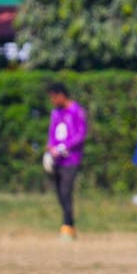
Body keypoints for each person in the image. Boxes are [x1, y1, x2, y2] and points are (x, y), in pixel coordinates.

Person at [46, 82, 87, 239]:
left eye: (54, 97)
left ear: (61, 95)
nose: (52, 101)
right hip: (56, 160)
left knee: (66, 191)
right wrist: (50, 147)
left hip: (71, 159)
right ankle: (68, 225)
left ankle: (67, 227)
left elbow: (80, 135)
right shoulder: (55, 113)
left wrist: (63, 147)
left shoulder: (76, 111)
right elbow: (52, 133)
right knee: (60, 194)